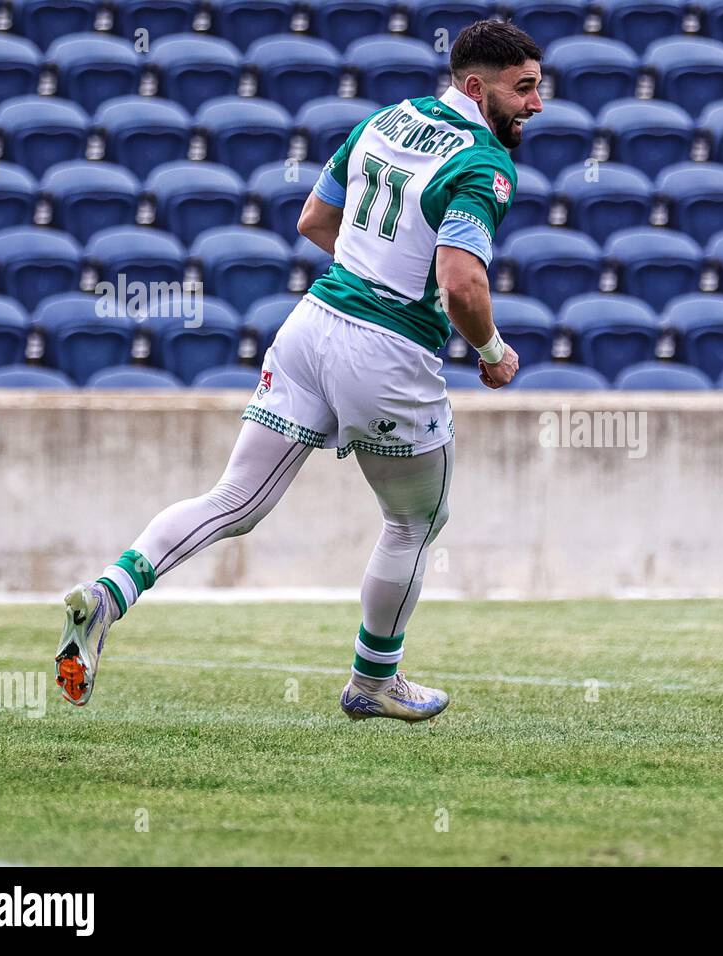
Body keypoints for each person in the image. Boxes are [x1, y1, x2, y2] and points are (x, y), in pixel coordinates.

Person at [53, 20, 545, 720]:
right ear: (476, 86)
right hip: (389, 352)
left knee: (234, 501)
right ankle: (373, 683)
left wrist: (369, 267)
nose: (536, 104)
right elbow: (461, 283)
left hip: (311, 325)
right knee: (415, 522)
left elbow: (315, 218)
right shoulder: (483, 164)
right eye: (523, 88)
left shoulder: (385, 119)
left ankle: (107, 593)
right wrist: (493, 354)